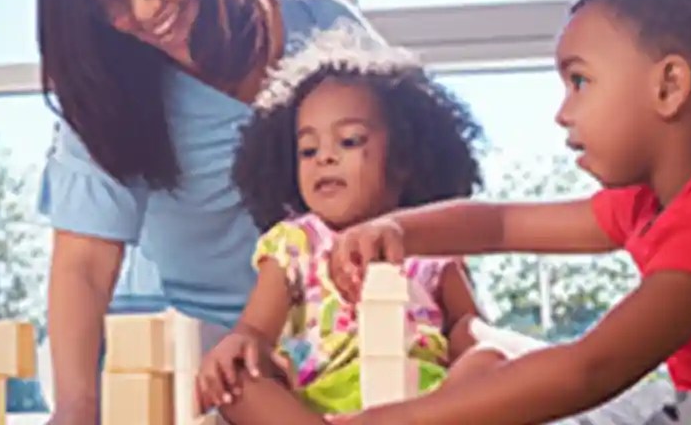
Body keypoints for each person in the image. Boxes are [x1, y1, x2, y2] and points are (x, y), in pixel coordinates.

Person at [34, 0, 377, 424]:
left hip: (338, 328)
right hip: (197, 342)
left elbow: (425, 188)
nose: (142, 13)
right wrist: (76, 409)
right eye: (111, 2)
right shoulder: (110, 90)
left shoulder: (326, 31)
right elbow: (83, 264)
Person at [328, 0, 691, 425]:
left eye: (580, 82)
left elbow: (591, 370)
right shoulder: (643, 203)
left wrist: (399, 420)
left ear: (669, 86)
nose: (562, 113)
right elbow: (499, 223)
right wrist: (396, 228)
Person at [196, 26, 505, 423]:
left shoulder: (431, 244)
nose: (325, 157)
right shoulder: (294, 243)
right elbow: (255, 329)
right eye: (308, 149)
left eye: (349, 141)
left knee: (491, 360)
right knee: (238, 380)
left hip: (421, 403)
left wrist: (477, 355)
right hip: (313, 404)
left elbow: (467, 324)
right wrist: (239, 345)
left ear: (405, 159)